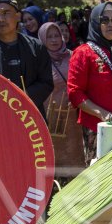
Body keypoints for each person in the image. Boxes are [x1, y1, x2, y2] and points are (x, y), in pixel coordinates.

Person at [67, 2, 112, 157]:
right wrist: (102, 113)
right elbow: (75, 93)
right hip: (98, 126)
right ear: (95, 23)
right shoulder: (83, 53)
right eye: (104, 20)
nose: (110, 24)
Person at [0, 0, 54, 115]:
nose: (1, 19)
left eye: (6, 13)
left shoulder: (36, 47)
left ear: (18, 16)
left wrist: (19, 98)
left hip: (31, 118)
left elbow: (46, 83)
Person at [39, 21, 87, 178]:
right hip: (52, 115)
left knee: (76, 148)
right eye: (49, 37)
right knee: (55, 151)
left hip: (74, 114)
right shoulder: (39, 61)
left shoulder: (73, 55)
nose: (54, 40)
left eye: (57, 36)